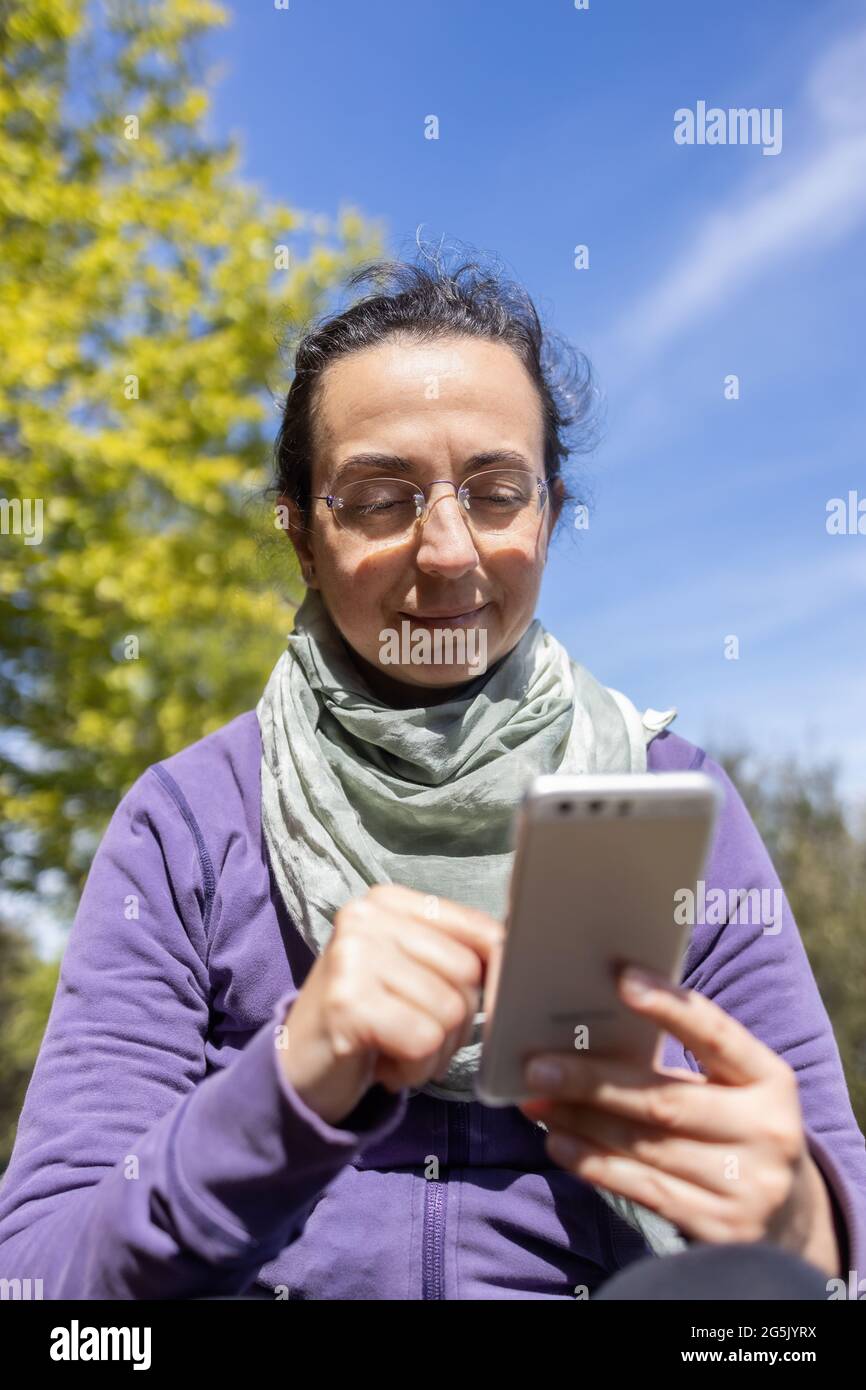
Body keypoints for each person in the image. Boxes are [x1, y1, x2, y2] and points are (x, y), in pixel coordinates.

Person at [0, 251, 864, 1302]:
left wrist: (802, 1220)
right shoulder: (185, 823)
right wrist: (287, 1087)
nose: (448, 550)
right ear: (302, 536)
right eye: (377, 496)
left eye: (497, 492)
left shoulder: (677, 801)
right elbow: (45, 1285)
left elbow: (830, 1214)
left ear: (545, 517)